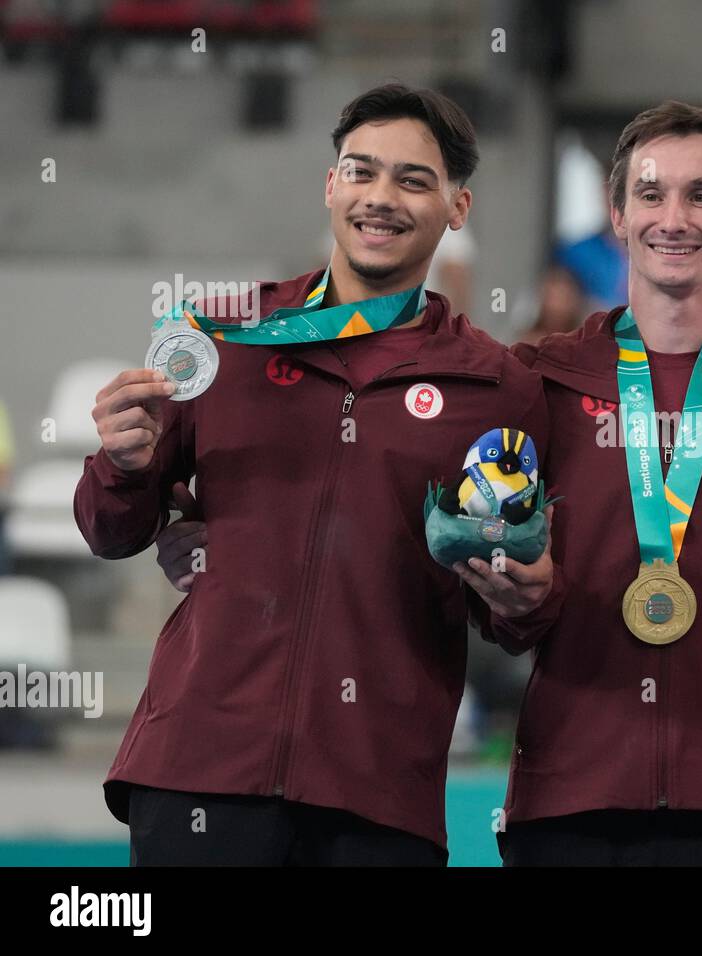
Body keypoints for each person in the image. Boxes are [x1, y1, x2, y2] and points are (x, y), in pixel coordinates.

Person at [73, 83, 551, 866]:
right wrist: (123, 465)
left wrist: (526, 595)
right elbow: (111, 531)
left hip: (376, 792)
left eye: (413, 180)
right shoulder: (225, 336)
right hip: (202, 769)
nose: (380, 198)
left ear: (458, 208)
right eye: (361, 172)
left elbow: (511, 606)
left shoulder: (496, 386)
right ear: (331, 185)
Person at [456, 101, 702, 865]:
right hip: (567, 803)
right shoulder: (539, 379)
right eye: (651, 194)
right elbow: (500, 602)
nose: (672, 217)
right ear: (617, 214)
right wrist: (517, 598)